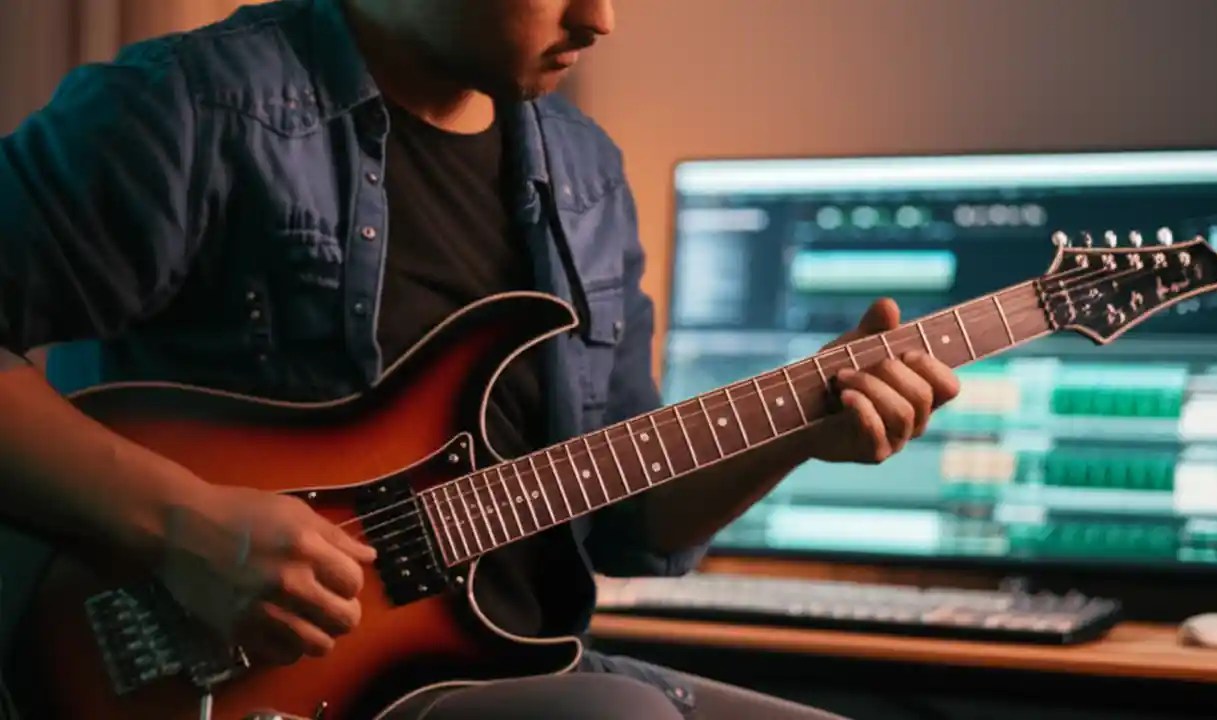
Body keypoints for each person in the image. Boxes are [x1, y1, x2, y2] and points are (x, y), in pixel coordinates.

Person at [0, 0, 960, 718]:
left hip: (516, 671)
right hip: (230, 687)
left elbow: (626, 524)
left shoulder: (584, 174)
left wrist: (797, 427)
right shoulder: (191, 110)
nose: (602, 18)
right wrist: (188, 529)